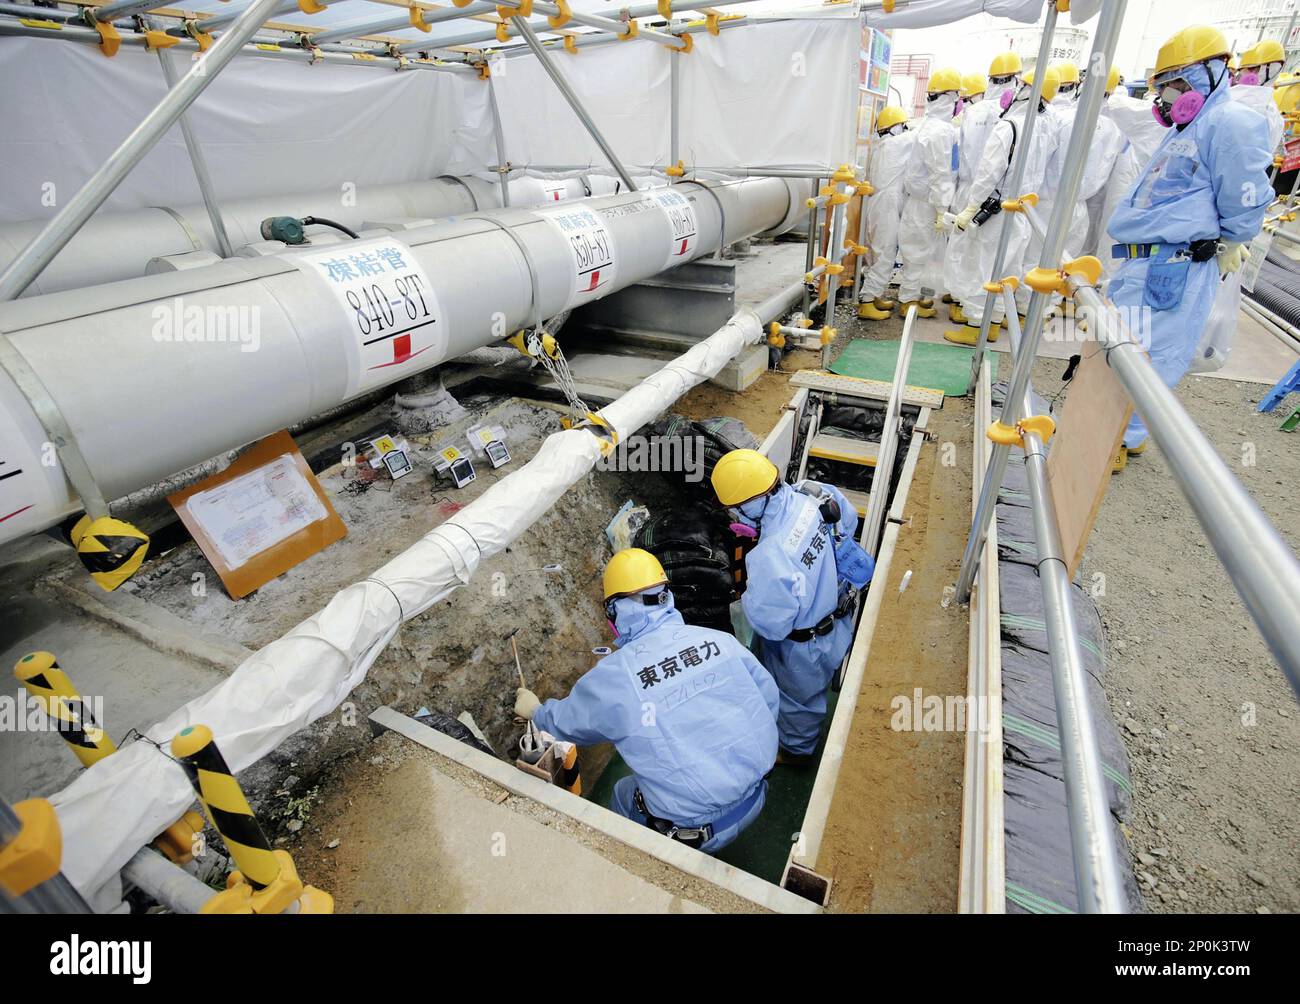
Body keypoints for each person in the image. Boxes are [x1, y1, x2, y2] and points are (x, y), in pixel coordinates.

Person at [514, 548, 779, 853]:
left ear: (615, 612)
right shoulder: (720, 642)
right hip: (756, 798)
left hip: (694, 832)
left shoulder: (616, 677)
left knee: (623, 792)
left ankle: (621, 856)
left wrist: (536, 710)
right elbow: (769, 701)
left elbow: (569, 724)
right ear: (666, 596)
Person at [1106, 25, 1271, 465]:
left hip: (1175, 264)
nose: (1165, 97)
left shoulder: (1231, 121)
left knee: (1151, 356)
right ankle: (1118, 429)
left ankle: (1125, 438)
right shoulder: (1188, 127)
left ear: (1206, 75)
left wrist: (1234, 237)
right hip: (1146, 261)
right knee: (1126, 348)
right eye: (1162, 86)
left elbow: (1244, 190)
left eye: (1173, 84)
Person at [711, 449, 864, 764]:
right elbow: (848, 519)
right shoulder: (814, 492)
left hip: (806, 649)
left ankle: (796, 752)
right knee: (813, 688)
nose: (734, 518)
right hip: (840, 617)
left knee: (800, 702)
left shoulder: (768, 556)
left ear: (744, 507)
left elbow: (772, 625)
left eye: (733, 511)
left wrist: (748, 596)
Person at [943, 65, 1060, 345]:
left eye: (1020, 85)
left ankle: (975, 327)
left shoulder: (1008, 127)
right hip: (1022, 210)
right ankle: (993, 323)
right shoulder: (1046, 127)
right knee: (1007, 270)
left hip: (996, 210)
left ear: (1028, 91)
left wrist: (972, 206)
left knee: (982, 268)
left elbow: (989, 172)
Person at [942, 57, 1018, 327]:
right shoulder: (1012, 116)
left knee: (967, 254)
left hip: (971, 190)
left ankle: (968, 308)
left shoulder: (974, 113)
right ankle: (992, 314)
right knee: (995, 258)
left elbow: (959, 155)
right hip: (1003, 195)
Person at [894, 67, 962, 318]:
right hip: (928, 203)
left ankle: (915, 295)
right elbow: (940, 172)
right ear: (949, 98)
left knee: (923, 251)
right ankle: (908, 300)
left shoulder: (931, 126)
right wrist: (942, 208)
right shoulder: (939, 132)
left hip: (926, 200)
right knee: (917, 251)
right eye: (957, 98)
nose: (959, 104)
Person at [858, 106, 916, 320]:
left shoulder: (883, 145)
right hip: (887, 205)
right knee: (885, 253)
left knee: (876, 253)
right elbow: (921, 136)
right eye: (902, 125)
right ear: (895, 127)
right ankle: (866, 301)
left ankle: (873, 295)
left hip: (879, 203)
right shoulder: (896, 144)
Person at [1233, 38, 1286, 154]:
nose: (1241, 74)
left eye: (1251, 69)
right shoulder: (1275, 116)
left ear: (1267, 71)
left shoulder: (1268, 113)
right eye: (1242, 70)